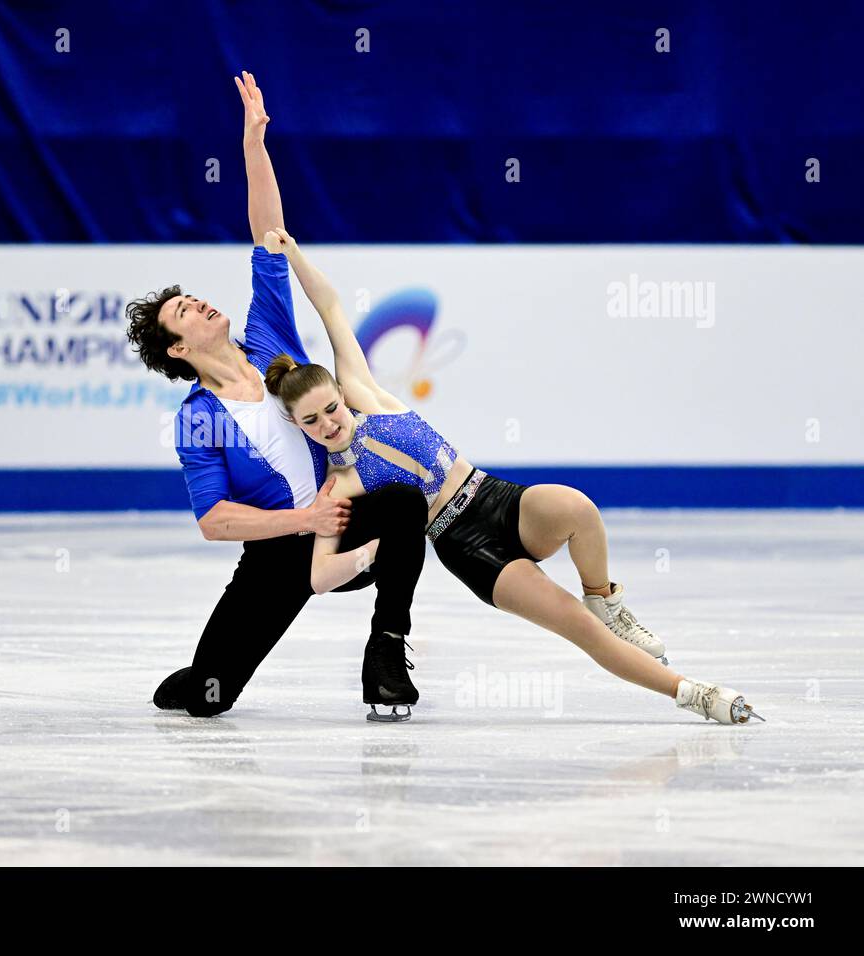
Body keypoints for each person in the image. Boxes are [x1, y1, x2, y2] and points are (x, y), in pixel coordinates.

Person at [260, 226, 764, 725]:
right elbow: (319, 577)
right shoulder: (341, 481)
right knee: (574, 625)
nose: (328, 424)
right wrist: (374, 552)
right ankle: (695, 694)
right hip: (466, 547)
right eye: (311, 422)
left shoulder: (365, 394)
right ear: (298, 425)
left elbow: (329, 306)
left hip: (494, 496)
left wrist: (295, 253)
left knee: (577, 508)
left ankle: (605, 600)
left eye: (330, 409)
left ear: (338, 392)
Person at [125, 72, 425, 720]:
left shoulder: (268, 340)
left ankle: (387, 654)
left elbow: (269, 232)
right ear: (178, 348)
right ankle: (202, 670)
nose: (200, 303)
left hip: (345, 522)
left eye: (195, 298)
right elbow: (214, 521)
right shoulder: (200, 420)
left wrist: (253, 143)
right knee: (206, 699)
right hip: (280, 551)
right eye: (186, 311)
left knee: (402, 504)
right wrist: (301, 522)